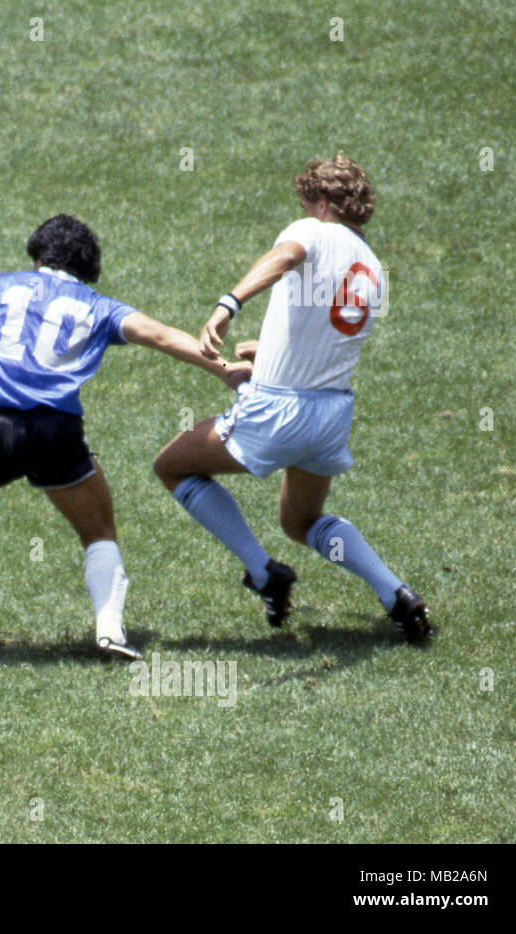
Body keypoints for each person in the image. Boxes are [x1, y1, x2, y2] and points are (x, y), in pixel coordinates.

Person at [0, 214, 251, 660]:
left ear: (38, 256)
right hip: (59, 435)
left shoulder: (2, 286)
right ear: (87, 266)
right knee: (97, 532)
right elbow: (163, 336)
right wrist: (226, 371)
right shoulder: (99, 306)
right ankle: (110, 631)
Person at [151, 153, 431, 641]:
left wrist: (227, 305)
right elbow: (328, 331)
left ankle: (264, 574)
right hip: (331, 415)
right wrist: (266, 353)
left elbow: (284, 258)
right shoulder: (373, 266)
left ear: (322, 201)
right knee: (300, 521)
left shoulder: (313, 230)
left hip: (280, 410)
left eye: (304, 199)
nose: (300, 207)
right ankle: (396, 594)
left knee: (171, 466)